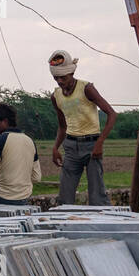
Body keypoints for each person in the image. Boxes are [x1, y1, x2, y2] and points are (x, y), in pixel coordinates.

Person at [48, 50, 116, 206]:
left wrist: (99, 143)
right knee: (65, 195)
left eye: (63, 78)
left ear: (72, 72)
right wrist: (55, 147)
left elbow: (112, 114)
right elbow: (62, 126)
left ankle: (101, 224)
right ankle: (67, 225)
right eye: (56, 78)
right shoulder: (56, 96)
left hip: (91, 144)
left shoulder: (86, 88)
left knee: (96, 194)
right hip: (71, 146)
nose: (59, 81)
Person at [0, 103, 42, 204]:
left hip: (0, 195)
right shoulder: (30, 141)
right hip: (24, 197)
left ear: (5, 121)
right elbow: (37, 177)